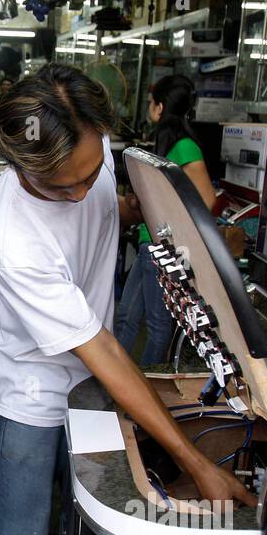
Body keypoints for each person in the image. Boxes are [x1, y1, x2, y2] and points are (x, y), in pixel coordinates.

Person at [0, 64, 255, 535]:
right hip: (32, 386)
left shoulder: (91, 156)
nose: (82, 191)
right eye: (62, 187)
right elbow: (97, 347)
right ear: (23, 167)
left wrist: (153, 219)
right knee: (14, 527)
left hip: (89, 370)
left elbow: (112, 210)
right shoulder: (10, 233)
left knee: (71, 512)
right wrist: (193, 462)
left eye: (91, 174)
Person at [115, 75, 215, 365]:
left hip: (164, 248)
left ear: (160, 107)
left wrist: (165, 218)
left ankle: (150, 389)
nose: (149, 107)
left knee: (158, 326)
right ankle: (117, 385)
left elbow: (205, 200)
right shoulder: (168, 142)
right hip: (151, 244)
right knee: (127, 317)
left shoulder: (184, 147)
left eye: (150, 102)